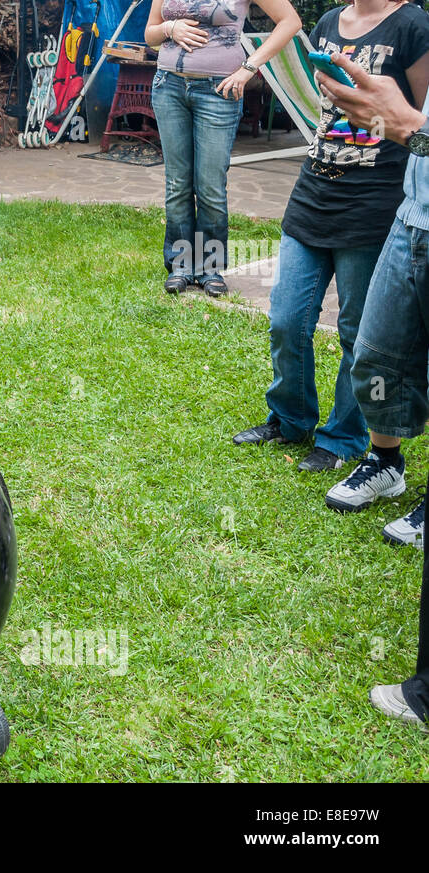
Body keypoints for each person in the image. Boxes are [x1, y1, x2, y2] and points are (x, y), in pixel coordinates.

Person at [233, 0, 429, 479]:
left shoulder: (415, 25)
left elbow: (417, 121)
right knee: (286, 316)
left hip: (374, 199)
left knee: (356, 333)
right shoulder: (327, 23)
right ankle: (291, 418)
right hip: (315, 188)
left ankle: (344, 437)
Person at [317, 49, 429, 725]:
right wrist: (397, 122)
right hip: (414, 215)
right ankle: (385, 461)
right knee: (375, 352)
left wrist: (412, 127)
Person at [144, 0, 301, 296]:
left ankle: (209, 268)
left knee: (210, 186)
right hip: (169, 86)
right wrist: (169, 27)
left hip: (219, 91)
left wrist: (249, 68)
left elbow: (290, 21)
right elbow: (150, 35)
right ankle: (180, 266)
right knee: (177, 183)